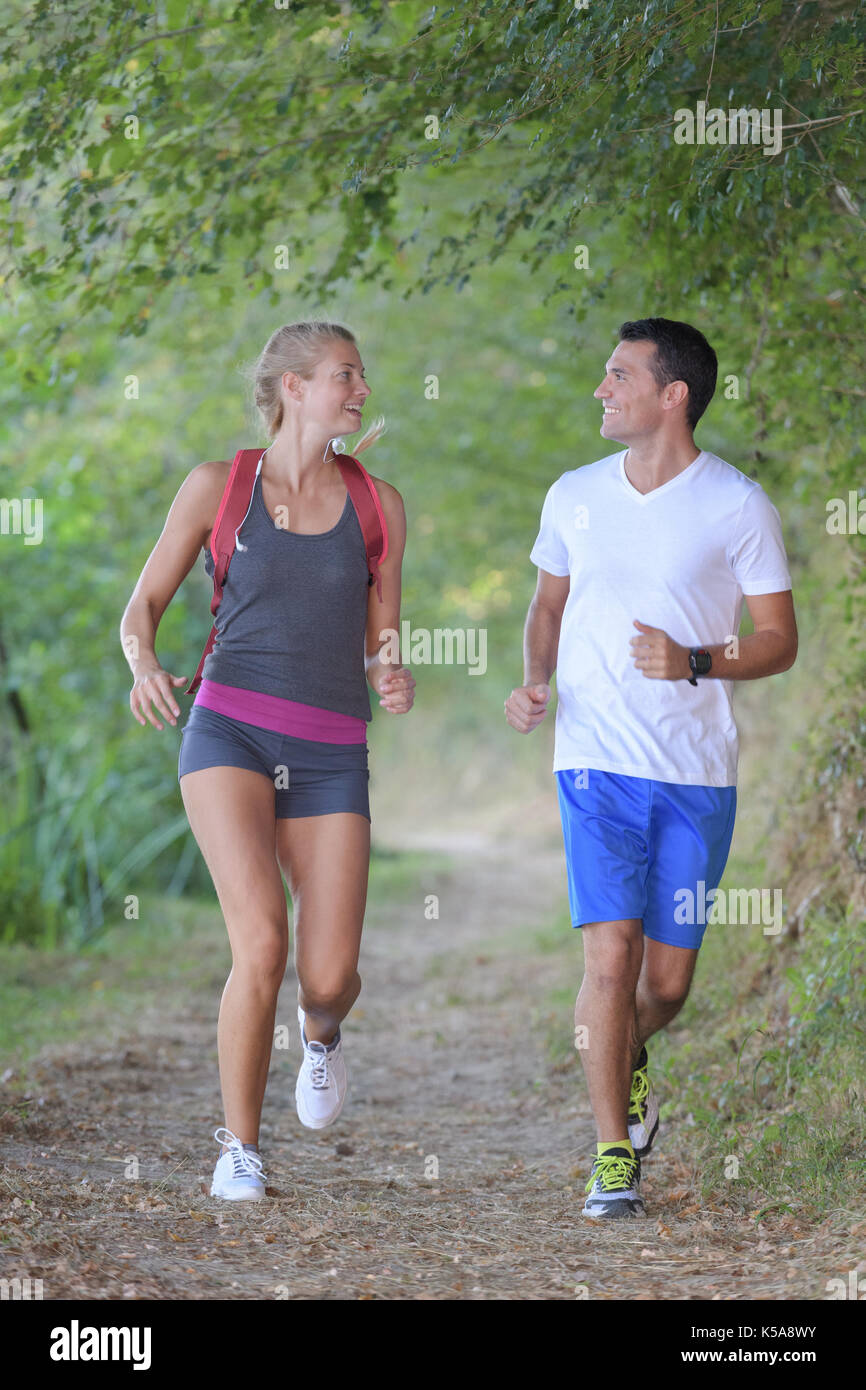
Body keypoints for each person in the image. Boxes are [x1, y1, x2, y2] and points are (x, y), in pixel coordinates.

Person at [505, 317, 797, 1219]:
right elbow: (546, 606)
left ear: (673, 395)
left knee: (664, 986)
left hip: (696, 772)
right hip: (594, 762)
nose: (601, 389)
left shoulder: (737, 505)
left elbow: (779, 640)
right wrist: (536, 680)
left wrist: (697, 660)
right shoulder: (573, 495)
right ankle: (612, 1159)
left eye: (619, 375)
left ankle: (624, 1053)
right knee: (610, 957)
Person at [120, 321, 415, 1201]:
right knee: (261, 941)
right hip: (229, 731)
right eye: (345, 375)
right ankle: (240, 1149)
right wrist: (143, 665)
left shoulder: (379, 505)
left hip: (331, 749)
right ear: (293, 386)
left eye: (360, 376)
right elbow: (141, 607)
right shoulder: (219, 487)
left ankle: (320, 1035)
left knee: (328, 978)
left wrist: (389, 673)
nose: (361, 391)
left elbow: (382, 637)